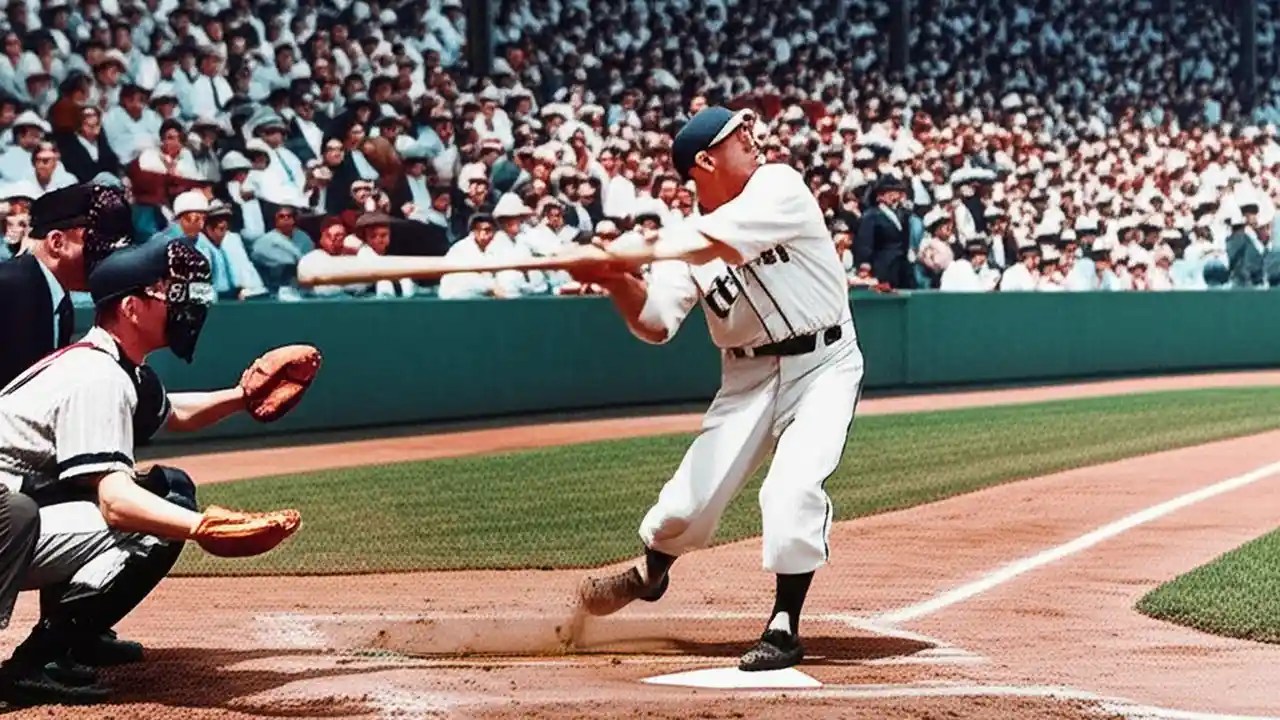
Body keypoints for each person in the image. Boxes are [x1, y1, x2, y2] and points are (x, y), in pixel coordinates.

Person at [565, 107, 864, 671]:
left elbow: (715, 239)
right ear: (705, 160)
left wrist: (624, 251)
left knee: (791, 489)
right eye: (738, 136)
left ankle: (784, 625)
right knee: (690, 498)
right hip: (746, 375)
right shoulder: (680, 242)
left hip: (824, 362)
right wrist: (614, 279)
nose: (754, 139)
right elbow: (654, 323)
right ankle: (650, 573)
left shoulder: (780, 185)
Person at [0, 235, 306, 705]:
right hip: (8, 521)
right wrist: (205, 528)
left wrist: (243, 398)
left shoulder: (115, 366)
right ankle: (38, 660)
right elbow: (116, 503)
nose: (186, 305)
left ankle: (75, 640)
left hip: (13, 518)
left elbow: (175, 413)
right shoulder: (97, 377)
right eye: (171, 292)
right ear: (131, 308)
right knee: (157, 521)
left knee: (169, 489)